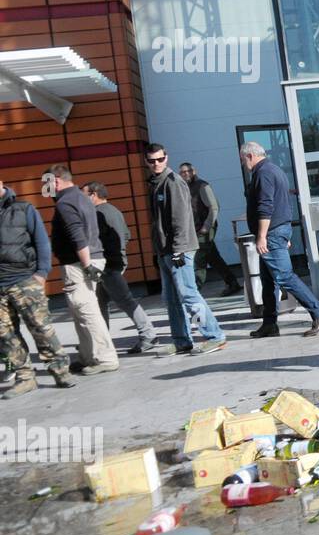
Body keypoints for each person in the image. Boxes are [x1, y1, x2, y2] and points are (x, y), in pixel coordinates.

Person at [240, 141, 319, 338]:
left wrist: (262, 236)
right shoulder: (274, 170)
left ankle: (318, 311)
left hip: (270, 234)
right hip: (277, 232)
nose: (243, 165)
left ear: (249, 156)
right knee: (268, 280)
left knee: (284, 276)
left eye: (242, 160)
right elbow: (284, 202)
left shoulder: (262, 173)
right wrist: (284, 233)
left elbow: (266, 206)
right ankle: (270, 324)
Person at [145, 145, 227, 355]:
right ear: (147, 161)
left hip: (178, 250)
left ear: (166, 158)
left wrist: (179, 250)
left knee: (189, 295)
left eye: (160, 159)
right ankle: (181, 340)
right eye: (152, 160)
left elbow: (181, 218)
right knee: (172, 299)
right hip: (165, 250)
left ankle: (213, 335)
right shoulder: (155, 183)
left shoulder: (173, 182)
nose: (156, 163)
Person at [0, 178, 74, 397]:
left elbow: (41, 241)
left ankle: (61, 371)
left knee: (41, 329)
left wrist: (41, 273)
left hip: (24, 280)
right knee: (5, 336)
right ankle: (25, 378)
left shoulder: (23, 209)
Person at [44, 164, 118, 374]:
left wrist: (86, 265)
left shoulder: (66, 203)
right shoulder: (80, 197)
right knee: (81, 313)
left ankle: (105, 358)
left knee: (87, 313)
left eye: (46, 183)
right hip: (90, 259)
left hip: (79, 264)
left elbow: (78, 235)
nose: (44, 188)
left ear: (55, 181)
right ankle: (88, 356)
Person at [80, 181, 158, 355]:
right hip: (113, 263)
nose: (81, 199)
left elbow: (95, 243)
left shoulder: (97, 214)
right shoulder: (114, 210)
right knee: (100, 303)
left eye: (83, 195)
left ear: (93, 195)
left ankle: (148, 334)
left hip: (107, 265)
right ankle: (101, 341)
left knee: (124, 300)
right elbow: (126, 235)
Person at [177, 162, 241, 296]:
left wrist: (207, 227)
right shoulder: (183, 188)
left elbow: (214, 207)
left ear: (194, 171)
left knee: (199, 259)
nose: (186, 174)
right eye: (182, 172)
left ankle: (194, 292)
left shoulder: (202, 186)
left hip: (205, 228)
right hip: (195, 229)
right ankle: (232, 283)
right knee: (213, 257)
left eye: (188, 171)